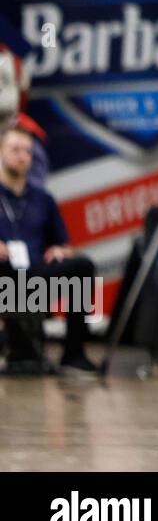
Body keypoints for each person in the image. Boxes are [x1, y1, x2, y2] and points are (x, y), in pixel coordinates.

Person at [0, 125, 96, 373]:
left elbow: (63, 244)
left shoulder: (43, 199)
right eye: (15, 149)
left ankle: (74, 354)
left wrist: (62, 252)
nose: (22, 156)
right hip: (3, 280)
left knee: (81, 265)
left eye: (27, 151)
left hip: (35, 281)